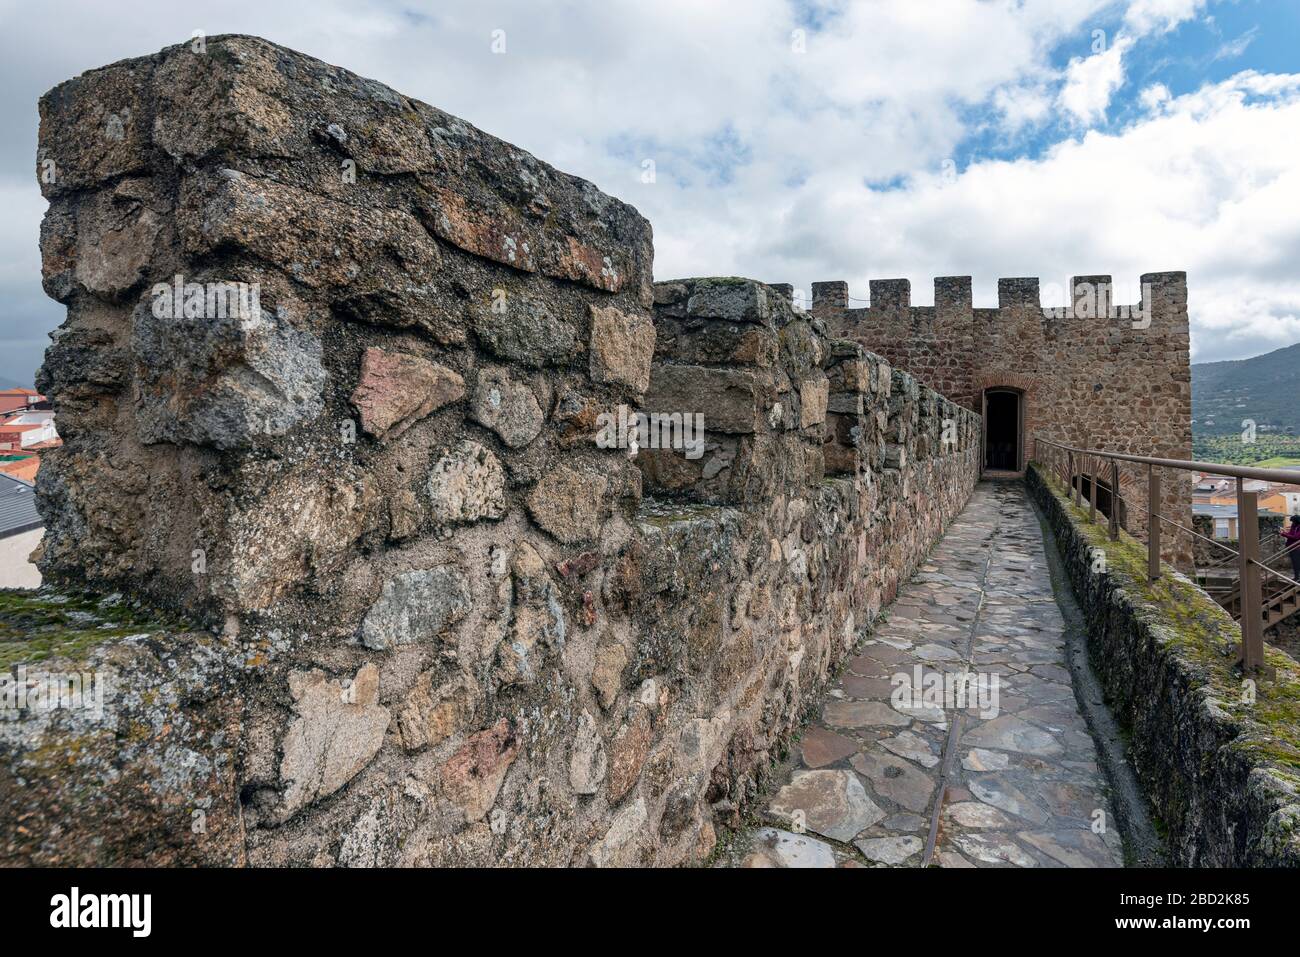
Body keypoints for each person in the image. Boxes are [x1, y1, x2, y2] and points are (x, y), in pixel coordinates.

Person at [1282, 515, 1300, 581]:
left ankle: (1297, 577)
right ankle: (1296, 577)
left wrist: (1284, 534)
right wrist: (1284, 532)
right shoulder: (1293, 526)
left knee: (1297, 562)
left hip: (1297, 547)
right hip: (1291, 546)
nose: (1292, 522)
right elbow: (1291, 534)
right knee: (1294, 562)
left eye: (1293, 521)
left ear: (1297, 521)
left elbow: (1296, 537)